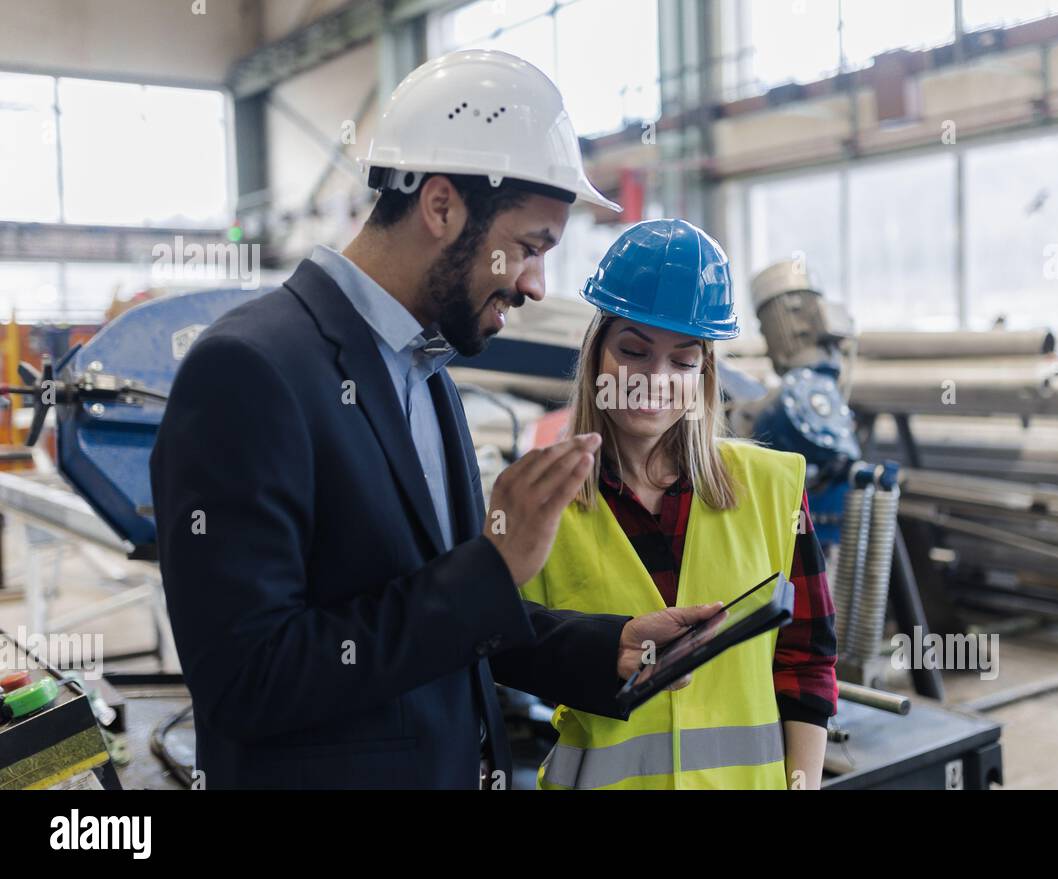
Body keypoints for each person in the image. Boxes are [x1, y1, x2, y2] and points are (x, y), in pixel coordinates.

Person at [149, 50, 720, 790]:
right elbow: (247, 679)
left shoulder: (426, 373)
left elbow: (442, 618)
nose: (536, 285)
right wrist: (493, 567)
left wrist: (601, 647)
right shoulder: (250, 371)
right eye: (529, 247)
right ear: (442, 206)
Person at [520, 219, 839, 789]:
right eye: (633, 351)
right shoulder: (539, 499)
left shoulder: (772, 487)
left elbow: (806, 661)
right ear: (596, 355)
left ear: (704, 373)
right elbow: (506, 649)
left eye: (683, 360)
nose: (655, 378)